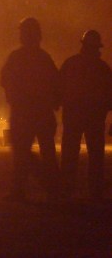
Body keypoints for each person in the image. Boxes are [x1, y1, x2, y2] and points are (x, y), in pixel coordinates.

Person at [0, 17, 60, 201]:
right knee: (46, 152)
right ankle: (52, 189)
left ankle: (20, 190)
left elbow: (4, 80)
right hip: (41, 112)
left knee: (21, 152)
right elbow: (56, 83)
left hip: (23, 112)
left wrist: (15, 99)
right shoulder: (44, 58)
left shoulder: (17, 57)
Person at [59, 29, 112, 201]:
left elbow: (58, 87)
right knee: (96, 155)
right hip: (95, 117)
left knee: (70, 153)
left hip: (74, 115)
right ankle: (95, 191)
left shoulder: (71, 63)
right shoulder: (102, 68)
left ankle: (66, 189)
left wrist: (57, 103)